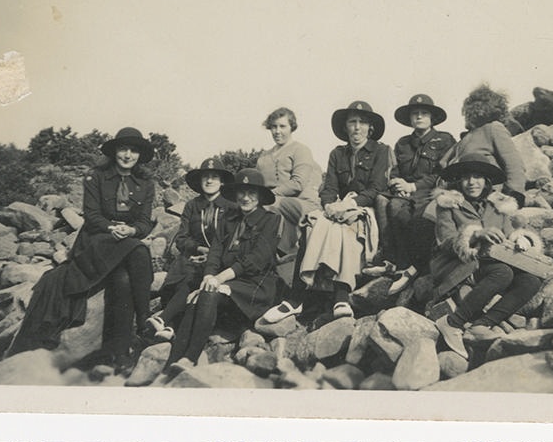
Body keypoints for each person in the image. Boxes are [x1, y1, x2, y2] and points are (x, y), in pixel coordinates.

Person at [9, 127, 156, 373]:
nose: (128, 155)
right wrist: (112, 228)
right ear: (114, 152)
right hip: (98, 241)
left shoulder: (145, 184)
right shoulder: (95, 177)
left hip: (124, 243)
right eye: (123, 149)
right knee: (140, 251)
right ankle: (144, 322)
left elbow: (144, 221)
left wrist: (131, 231)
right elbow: (92, 215)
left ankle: (117, 353)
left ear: (140, 155)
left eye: (133, 150)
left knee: (122, 280)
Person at [262, 100, 389, 322]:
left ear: (371, 128)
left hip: (362, 208)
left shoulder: (381, 151)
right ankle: (295, 299)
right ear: (345, 127)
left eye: (362, 122)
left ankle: (341, 295)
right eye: (352, 122)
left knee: (345, 228)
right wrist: (330, 204)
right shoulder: (337, 154)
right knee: (314, 222)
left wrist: (350, 204)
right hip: (336, 207)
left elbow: (377, 187)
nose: (357, 127)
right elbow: (329, 187)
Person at [164, 168, 280, 373]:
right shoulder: (229, 219)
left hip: (255, 287)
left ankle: (189, 359)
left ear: (260, 196)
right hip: (227, 284)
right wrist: (208, 275)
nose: (246, 198)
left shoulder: (270, 220)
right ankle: (173, 362)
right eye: (241, 193)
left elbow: (256, 261)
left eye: (252, 193)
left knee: (209, 293)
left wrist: (219, 279)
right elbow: (215, 252)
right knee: (196, 297)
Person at [431, 153, 542, 360]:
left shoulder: (499, 205)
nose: (472, 182)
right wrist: (475, 234)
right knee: (503, 272)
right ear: (459, 180)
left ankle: (482, 324)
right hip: (459, 263)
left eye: (478, 177)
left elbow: (509, 233)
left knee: (531, 281)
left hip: (492, 262)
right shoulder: (447, 204)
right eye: (466, 177)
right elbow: (446, 242)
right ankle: (452, 322)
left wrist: (521, 239)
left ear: (486, 181)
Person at [367, 94, 455, 295]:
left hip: (427, 192)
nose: (419, 117)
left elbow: (441, 173)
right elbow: (396, 170)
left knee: (398, 209)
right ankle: (389, 258)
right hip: (405, 190)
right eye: (415, 114)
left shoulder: (444, 140)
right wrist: (397, 183)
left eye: (424, 113)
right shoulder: (403, 143)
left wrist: (413, 186)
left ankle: (406, 265)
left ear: (432, 118)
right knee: (381, 199)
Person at [146, 158, 235, 342]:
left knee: (196, 281)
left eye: (214, 177)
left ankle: (164, 320)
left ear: (222, 182)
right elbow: (181, 238)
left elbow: (233, 241)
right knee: (185, 277)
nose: (209, 181)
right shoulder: (192, 205)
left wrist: (212, 255)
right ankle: (170, 327)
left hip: (219, 262)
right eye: (205, 177)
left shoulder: (231, 207)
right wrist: (198, 248)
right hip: (192, 258)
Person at [440, 84, 526, 203]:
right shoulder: (468, 136)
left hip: (486, 193)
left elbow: (514, 163)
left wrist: (514, 195)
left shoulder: (493, 128)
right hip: (462, 192)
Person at [256, 107, 322, 256]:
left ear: (292, 127)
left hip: (301, 204)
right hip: (273, 203)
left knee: (267, 205)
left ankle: (284, 251)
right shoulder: (264, 157)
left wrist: (267, 195)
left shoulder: (300, 150)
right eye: (273, 126)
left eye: (282, 126)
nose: (277, 131)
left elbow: (298, 184)